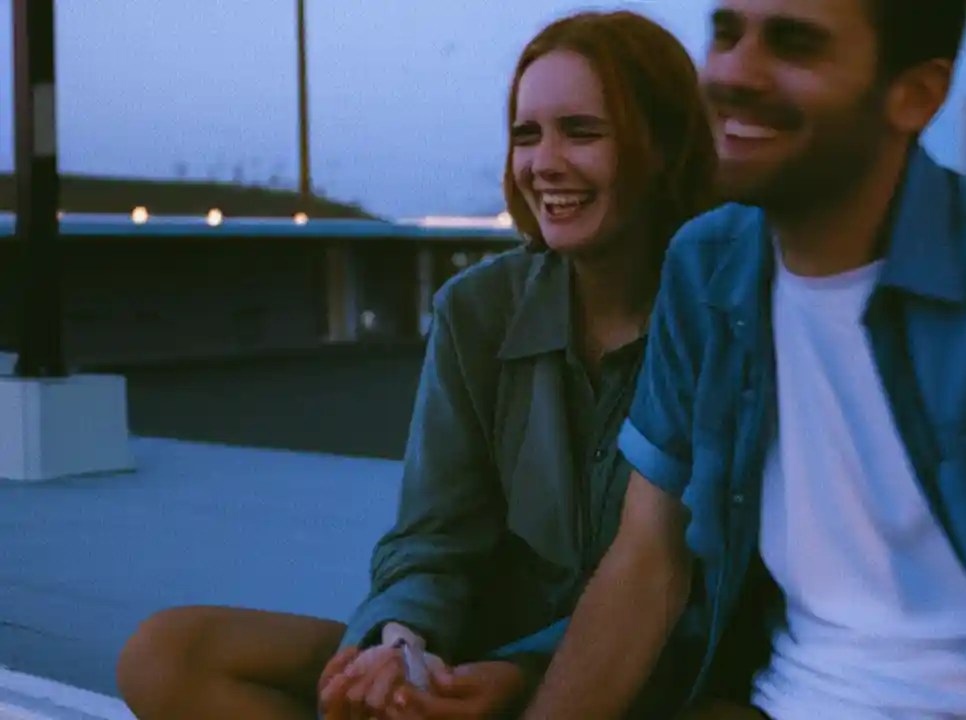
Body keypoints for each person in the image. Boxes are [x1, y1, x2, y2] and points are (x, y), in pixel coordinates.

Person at [520, 1, 966, 719]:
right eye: (726, 31)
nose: (734, 73)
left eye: (793, 42)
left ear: (916, 95)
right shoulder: (706, 266)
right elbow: (646, 561)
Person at [115, 10, 716, 720]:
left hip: (647, 679)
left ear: (664, 145)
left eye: (581, 131)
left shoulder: (723, 316)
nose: (544, 163)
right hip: (472, 661)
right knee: (167, 654)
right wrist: (401, 645)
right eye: (527, 134)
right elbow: (434, 535)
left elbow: (703, 588)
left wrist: (522, 674)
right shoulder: (478, 310)